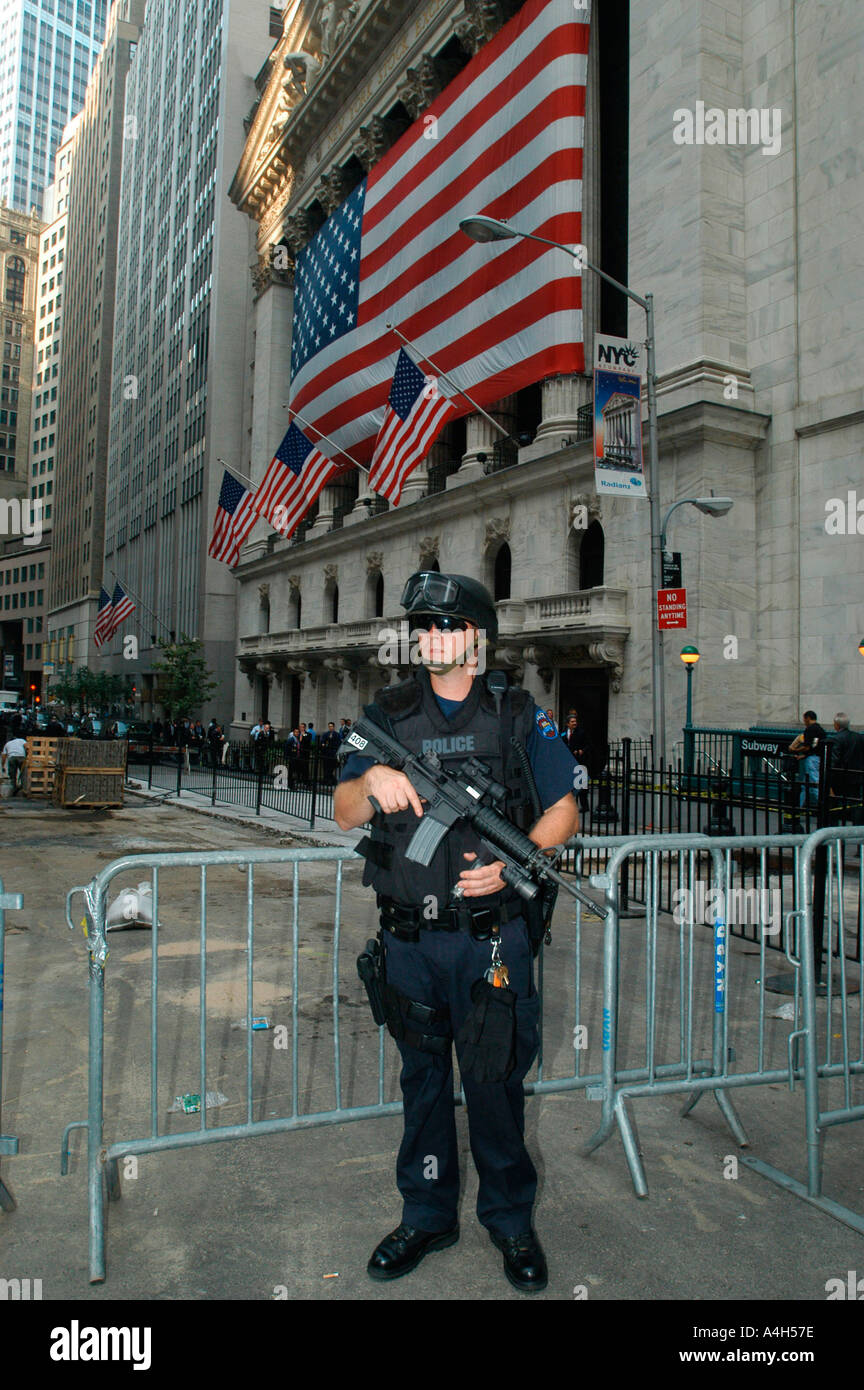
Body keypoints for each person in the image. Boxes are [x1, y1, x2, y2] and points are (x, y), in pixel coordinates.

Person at [334, 571, 580, 1294]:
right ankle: (427, 1213)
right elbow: (345, 811)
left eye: (444, 625)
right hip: (410, 942)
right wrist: (371, 781)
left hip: (491, 939)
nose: (429, 638)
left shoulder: (515, 714)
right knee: (423, 1084)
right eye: (421, 626)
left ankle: (509, 1220)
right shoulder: (388, 714)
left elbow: (564, 810)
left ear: (477, 635)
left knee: (497, 1082)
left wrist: (512, 865)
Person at [789, 710, 826, 808]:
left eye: (804, 719)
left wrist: (795, 749)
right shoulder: (820, 730)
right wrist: (804, 755)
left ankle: (822, 807)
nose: (804, 722)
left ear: (808, 718)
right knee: (805, 785)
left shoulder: (809, 730)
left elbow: (807, 747)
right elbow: (815, 746)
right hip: (818, 757)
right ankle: (799, 806)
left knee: (814, 783)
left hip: (812, 760)